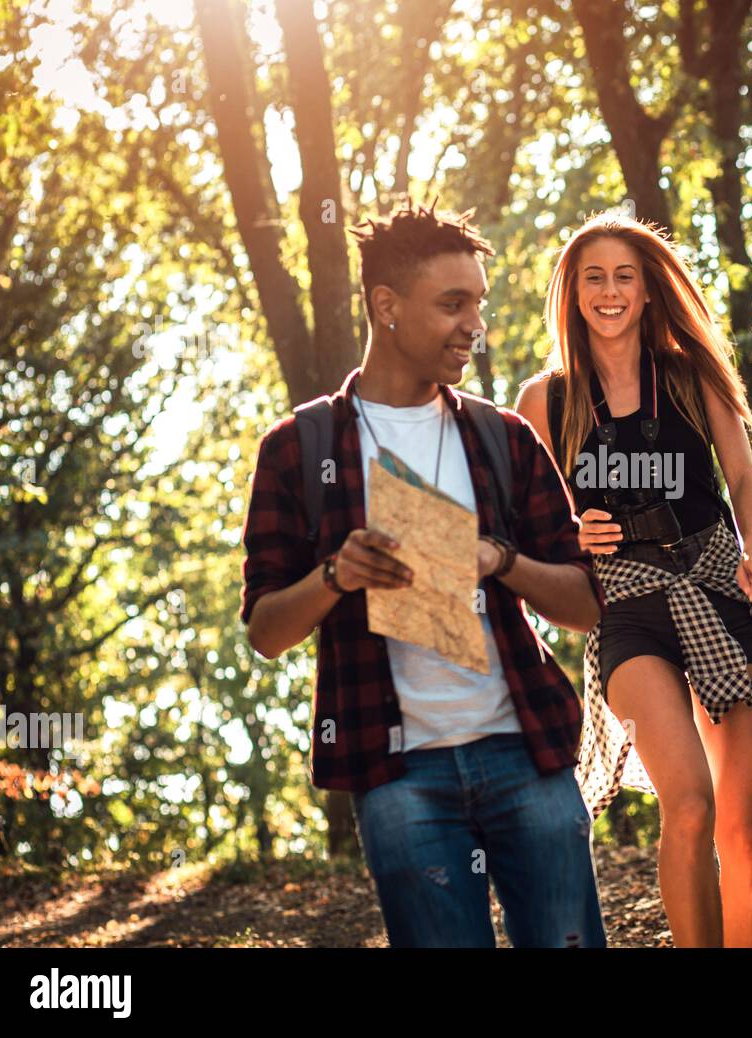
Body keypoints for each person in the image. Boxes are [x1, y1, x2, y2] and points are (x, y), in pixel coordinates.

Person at [240, 202, 606, 948]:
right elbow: (266, 632)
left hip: (526, 754)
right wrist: (336, 575)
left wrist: (500, 560)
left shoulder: (503, 438)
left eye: (479, 303)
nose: (475, 324)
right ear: (386, 305)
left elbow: (585, 604)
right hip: (398, 775)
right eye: (452, 304)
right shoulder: (298, 447)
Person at [515, 212, 752, 947]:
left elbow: (746, 480)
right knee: (687, 803)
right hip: (625, 605)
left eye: (625, 276)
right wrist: (568, 536)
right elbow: (525, 525)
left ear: (649, 289)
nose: (610, 291)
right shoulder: (543, 400)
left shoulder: (690, 373)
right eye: (594, 277)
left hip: (717, 587)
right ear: (572, 291)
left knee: (742, 821)